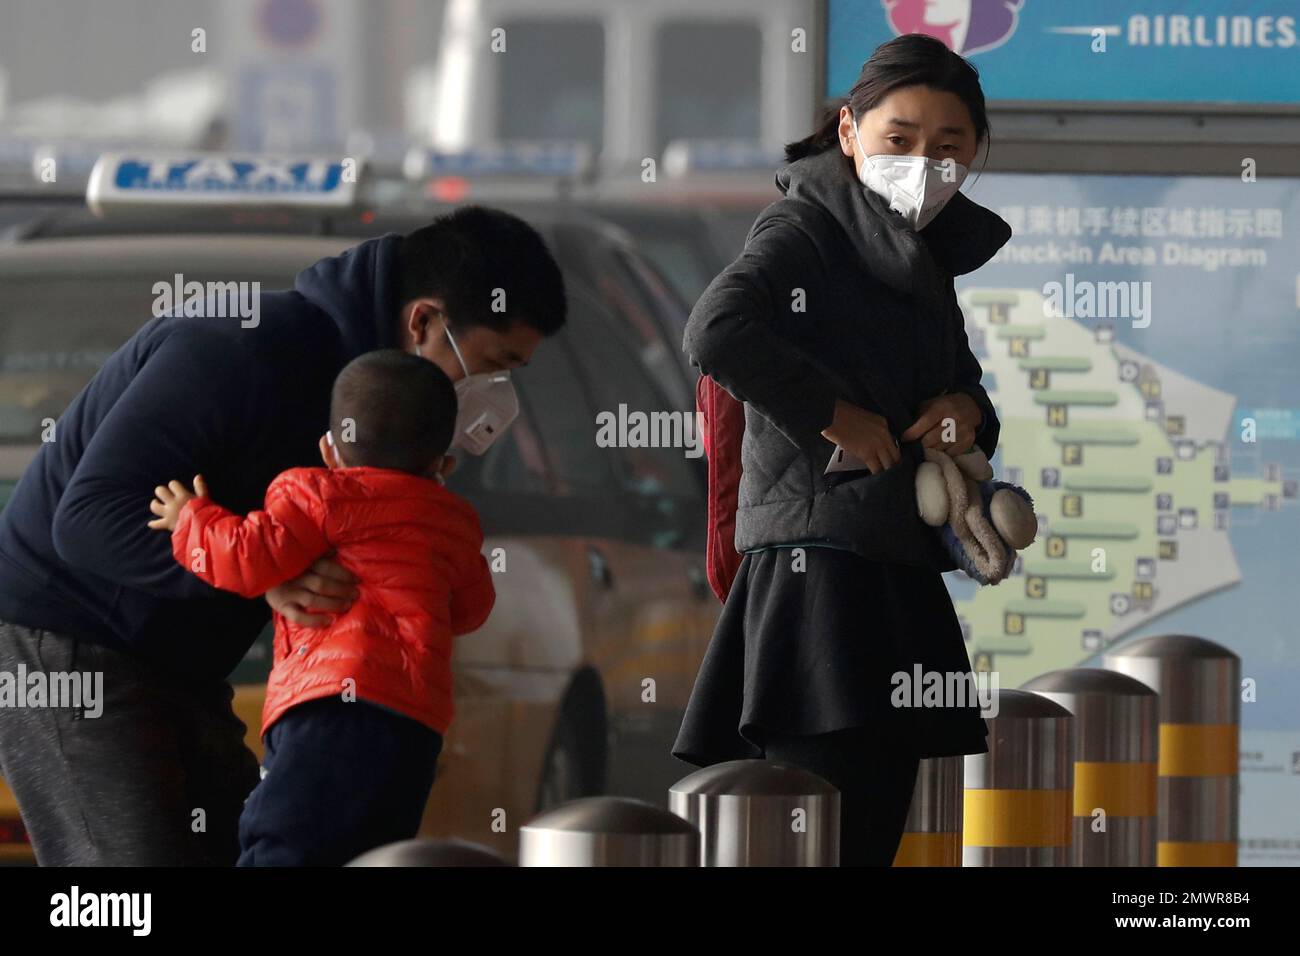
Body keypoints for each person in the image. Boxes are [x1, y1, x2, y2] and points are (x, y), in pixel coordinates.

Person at [0, 206, 566, 865]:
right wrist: (268, 573)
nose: (491, 392)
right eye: (494, 364)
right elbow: (87, 519)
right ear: (423, 322)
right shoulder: (242, 352)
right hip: (70, 639)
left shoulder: (384, 423)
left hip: (183, 660)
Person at [671, 34, 1012, 866]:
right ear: (850, 131)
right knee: (817, 825)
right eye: (900, 139)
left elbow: (964, 389)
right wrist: (833, 415)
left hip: (886, 561)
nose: (924, 162)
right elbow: (716, 330)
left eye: (949, 146)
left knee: (866, 828)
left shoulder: (922, 251)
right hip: (817, 575)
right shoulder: (808, 227)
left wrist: (963, 411)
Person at [148, 350, 494, 866]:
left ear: (330, 451)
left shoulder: (317, 494)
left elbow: (247, 557)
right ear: (443, 462)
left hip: (329, 705)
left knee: (286, 839)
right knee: (376, 853)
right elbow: (470, 609)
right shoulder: (455, 522)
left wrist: (190, 519)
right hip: (414, 725)